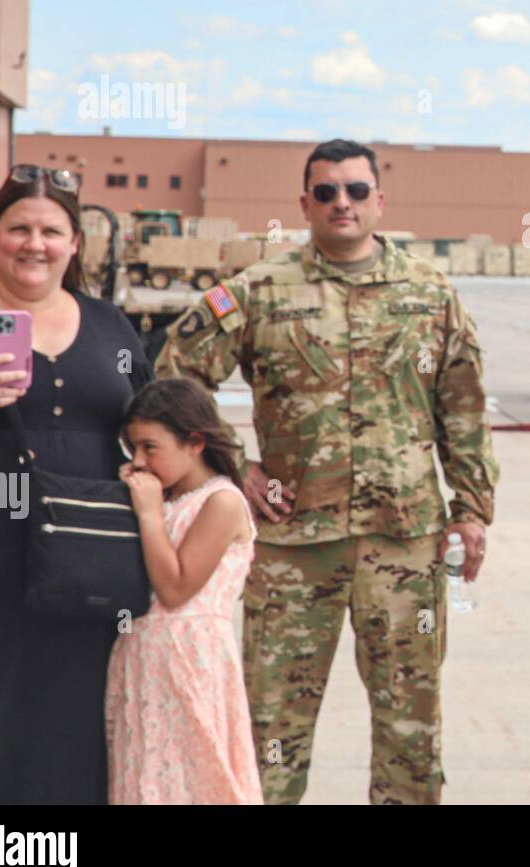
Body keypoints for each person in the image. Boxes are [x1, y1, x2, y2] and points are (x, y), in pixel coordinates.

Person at [155, 138, 499, 805]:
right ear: (305, 203)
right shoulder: (260, 290)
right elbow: (176, 378)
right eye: (327, 191)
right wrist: (234, 469)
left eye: (357, 189)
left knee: (410, 728)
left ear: (379, 200)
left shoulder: (429, 293)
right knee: (270, 729)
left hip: (403, 542)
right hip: (291, 548)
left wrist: (472, 508)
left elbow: (462, 406)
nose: (343, 202)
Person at [0, 165, 153, 804]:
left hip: (86, 574)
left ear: (75, 243)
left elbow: (153, 428)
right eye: (19, 227)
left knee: (70, 737)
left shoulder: (111, 326)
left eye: (51, 231)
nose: (35, 244)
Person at [106, 377, 262, 804]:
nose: (139, 460)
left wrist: (149, 513)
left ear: (194, 442)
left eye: (150, 447)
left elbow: (176, 587)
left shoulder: (222, 502)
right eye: (132, 448)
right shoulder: (164, 497)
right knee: (147, 776)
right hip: (142, 655)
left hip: (190, 659)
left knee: (194, 777)